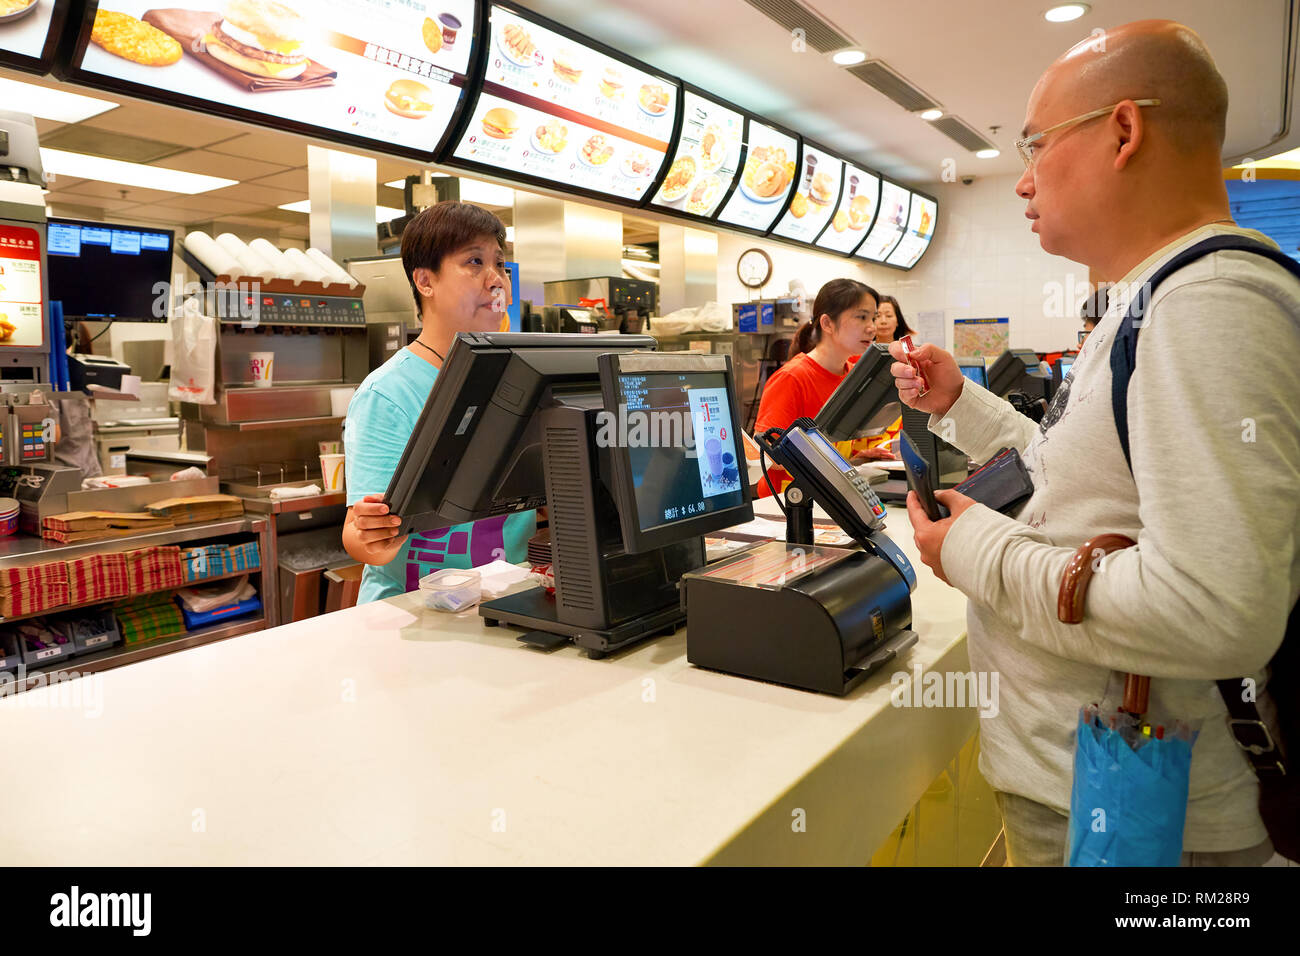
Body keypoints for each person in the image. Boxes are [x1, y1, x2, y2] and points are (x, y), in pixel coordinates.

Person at [889, 20, 1298, 866]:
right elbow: (1075, 482)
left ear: (1124, 130)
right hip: (1098, 789)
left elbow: (1218, 612)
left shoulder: (1205, 306)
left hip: (1149, 818)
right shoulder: (1153, 300)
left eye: (1036, 145)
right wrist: (960, 401)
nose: (1023, 181)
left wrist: (974, 549)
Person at [342, 202, 536, 603]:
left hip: (507, 602)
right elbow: (359, 535)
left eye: (500, 264)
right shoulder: (388, 392)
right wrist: (374, 537)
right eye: (474, 262)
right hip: (414, 615)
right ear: (425, 281)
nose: (495, 280)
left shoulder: (520, 379)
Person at [753, 279, 891, 494]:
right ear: (827, 323)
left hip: (832, 497)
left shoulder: (856, 374)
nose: (873, 327)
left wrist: (853, 461)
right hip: (788, 504)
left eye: (873, 317)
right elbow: (771, 456)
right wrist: (839, 462)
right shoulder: (792, 378)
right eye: (861, 317)